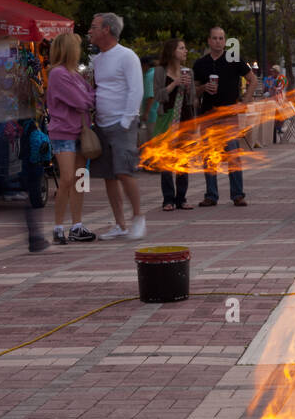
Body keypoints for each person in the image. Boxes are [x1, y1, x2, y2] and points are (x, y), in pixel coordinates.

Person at [87, 12, 146, 240]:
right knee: (109, 175)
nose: (90, 31)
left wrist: (126, 120)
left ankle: (139, 217)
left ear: (107, 30)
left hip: (122, 124)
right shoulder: (98, 60)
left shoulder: (127, 56)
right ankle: (120, 224)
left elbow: (136, 89)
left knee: (125, 171)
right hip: (102, 124)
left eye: (94, 27)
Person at [193, 26, 258, 207]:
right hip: (208, 113)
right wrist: (203, 88)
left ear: (225, 40)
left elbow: (253, 80)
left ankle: (237, 194)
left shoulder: (234, 59)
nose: (218, 42)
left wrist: (244, 102)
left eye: (221, 38)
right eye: (214, 38)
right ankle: (211, 195)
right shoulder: (200, 64)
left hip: (229, 113)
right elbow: (193, 92)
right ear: (209, 40)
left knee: (233, 153)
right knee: (209, 155)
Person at [45, 32, 97, 245]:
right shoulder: (58, 74)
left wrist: (87, 98)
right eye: (76, 46)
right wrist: (87, 98)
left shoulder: (75, 74)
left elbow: (90, 96)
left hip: (80, 133)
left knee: (80, 179)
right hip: (64, 132)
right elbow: (82, 100)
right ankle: (58, 227)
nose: (79, 50)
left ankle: (77, 224)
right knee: (67, 179)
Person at [152, 38, 195, 211]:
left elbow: (191, 100)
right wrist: (174, 84)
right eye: (182, 48)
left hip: (184, 119)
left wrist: (188, 87)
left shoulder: (188, 72)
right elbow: (158, 96)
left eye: (185, 48)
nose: (185, 51)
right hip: (167, 120)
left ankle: (181, 198)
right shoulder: (160, 71)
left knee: (183, 160)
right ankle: (168, 199)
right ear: (172, 51)